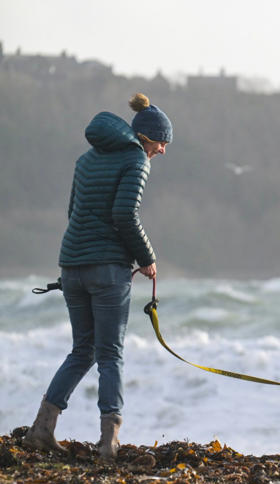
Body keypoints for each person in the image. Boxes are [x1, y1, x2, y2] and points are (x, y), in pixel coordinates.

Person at [23, 93, 172, 460]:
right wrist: (147, 258)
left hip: (71, 266)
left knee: (83, 350)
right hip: (107, 270)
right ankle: (109, 442)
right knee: (110, 354)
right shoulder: (136, 159)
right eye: (162, 142)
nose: (163, 150)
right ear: (147, 139)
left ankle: (42, 428)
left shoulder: (86, 158)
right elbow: (125, 215)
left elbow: (73, 211)